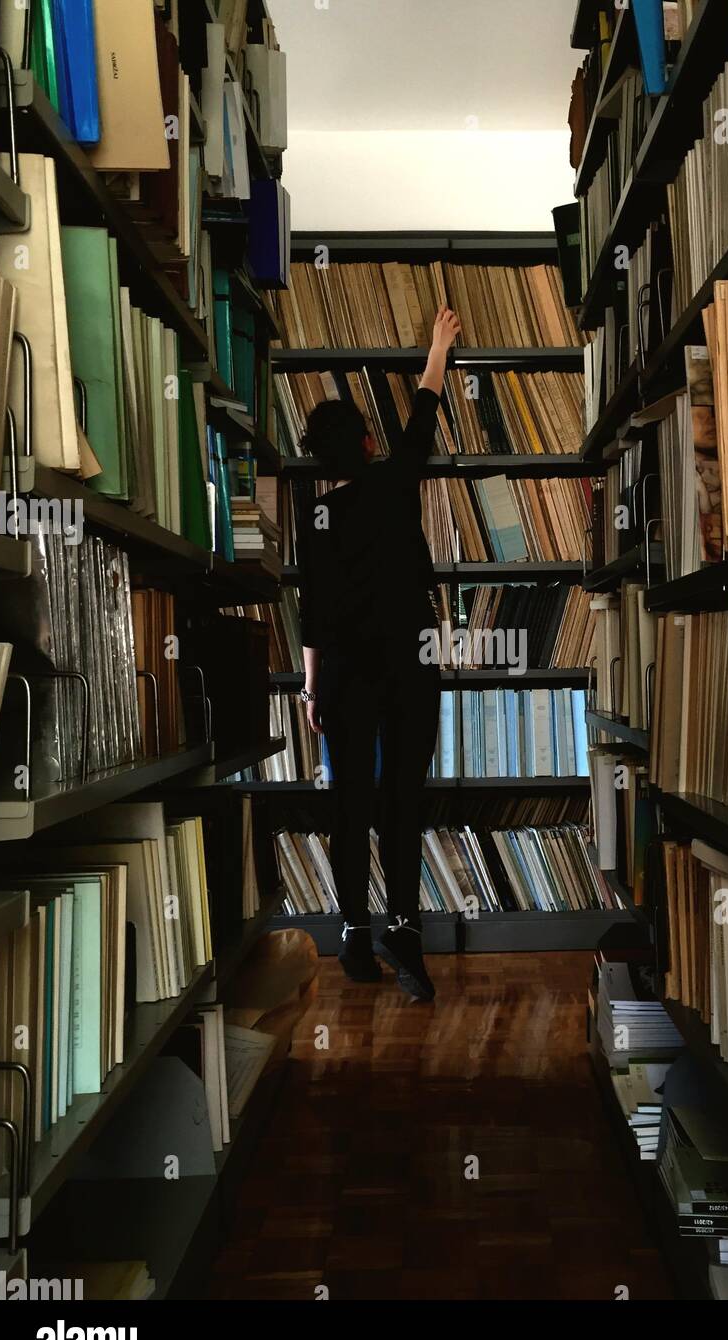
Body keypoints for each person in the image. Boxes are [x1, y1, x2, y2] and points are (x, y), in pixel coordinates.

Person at [298, 307, 462, 1001]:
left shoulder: (316, 517)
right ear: (368, 444)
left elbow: (310, 614)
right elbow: (423, 415)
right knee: (400, 802)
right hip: (406, 669)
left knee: (349, 808)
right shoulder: (395, 484)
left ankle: (353, 936)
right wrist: (438, 348)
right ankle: (404, 930)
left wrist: (310, 693)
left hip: (341, 678)